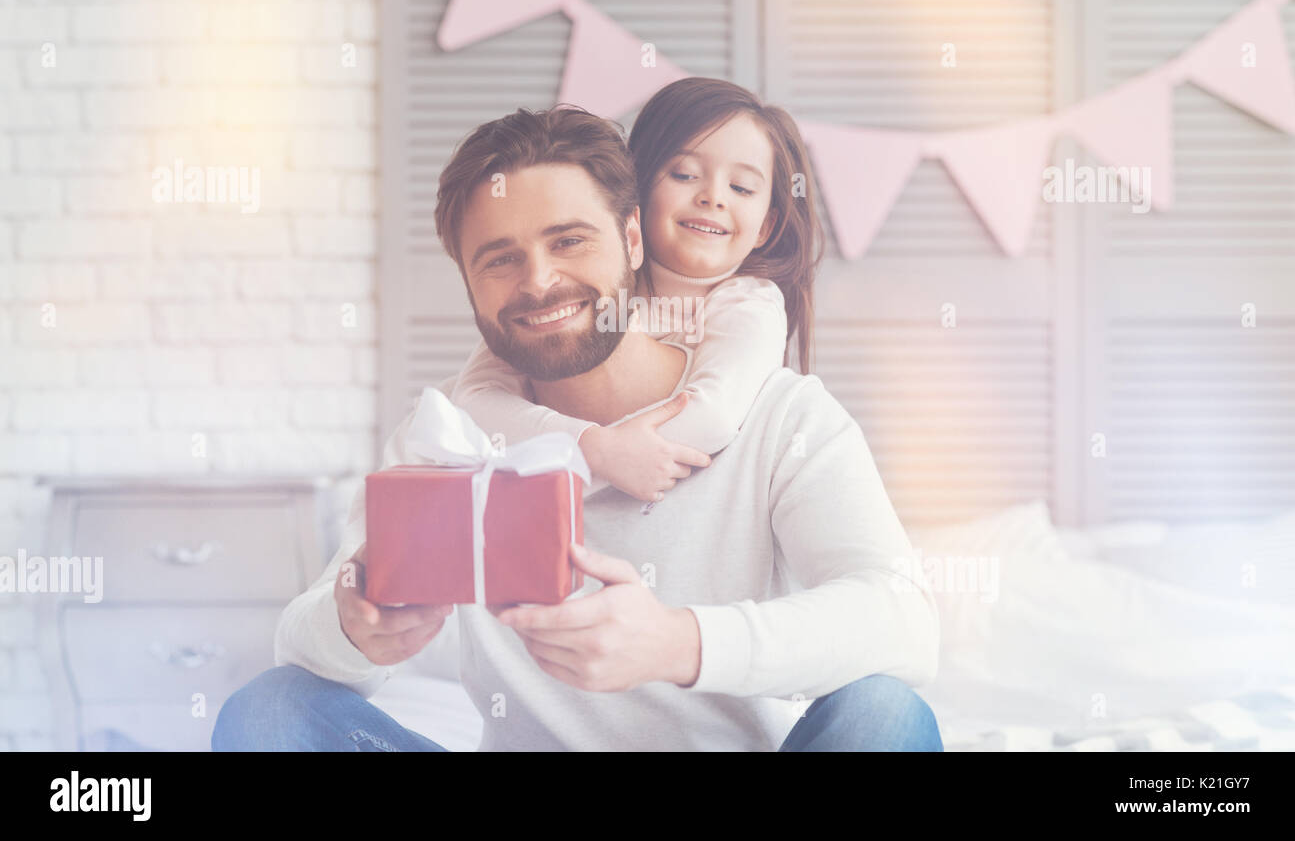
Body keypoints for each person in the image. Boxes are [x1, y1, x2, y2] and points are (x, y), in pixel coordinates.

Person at [212, 87, 943, 751]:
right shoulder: (449, 434)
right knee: (270, 714)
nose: (538, 281)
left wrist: (676, 642)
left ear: (631, 240)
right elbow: (305, 640)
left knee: (885, 714)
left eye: (568, 241)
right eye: (500, 259)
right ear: (468, 284)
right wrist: (352, 623)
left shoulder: (781, 415)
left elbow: (903, 619)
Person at [449, 77, 819, 504]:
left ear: (766, 226)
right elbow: (475, 403)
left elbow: (713, 417)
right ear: (635, 193)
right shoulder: (578, 294)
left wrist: (592, 467)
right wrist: (591, 447)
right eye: (684, 174)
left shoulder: (751, 305)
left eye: (741, 188)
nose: (713, 198)